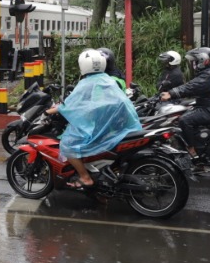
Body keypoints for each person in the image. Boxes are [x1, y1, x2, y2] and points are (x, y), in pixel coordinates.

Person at [46, 48, 141, 188]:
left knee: (67, 145)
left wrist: (48, 111)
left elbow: (70, 105)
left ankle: (85, 177)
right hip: (118, 124)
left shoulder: (87, 82)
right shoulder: (108, 79)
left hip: (102, 125)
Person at [160, 47, 210, 157]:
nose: (193, 64)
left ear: (203, 61)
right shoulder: (209, 73)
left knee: (185, 120)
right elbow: (194, 88)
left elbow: (191, 87)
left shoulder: (208, 75)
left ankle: (192, 150)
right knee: (185, 113)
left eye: (195, 61)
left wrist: (171, 93)